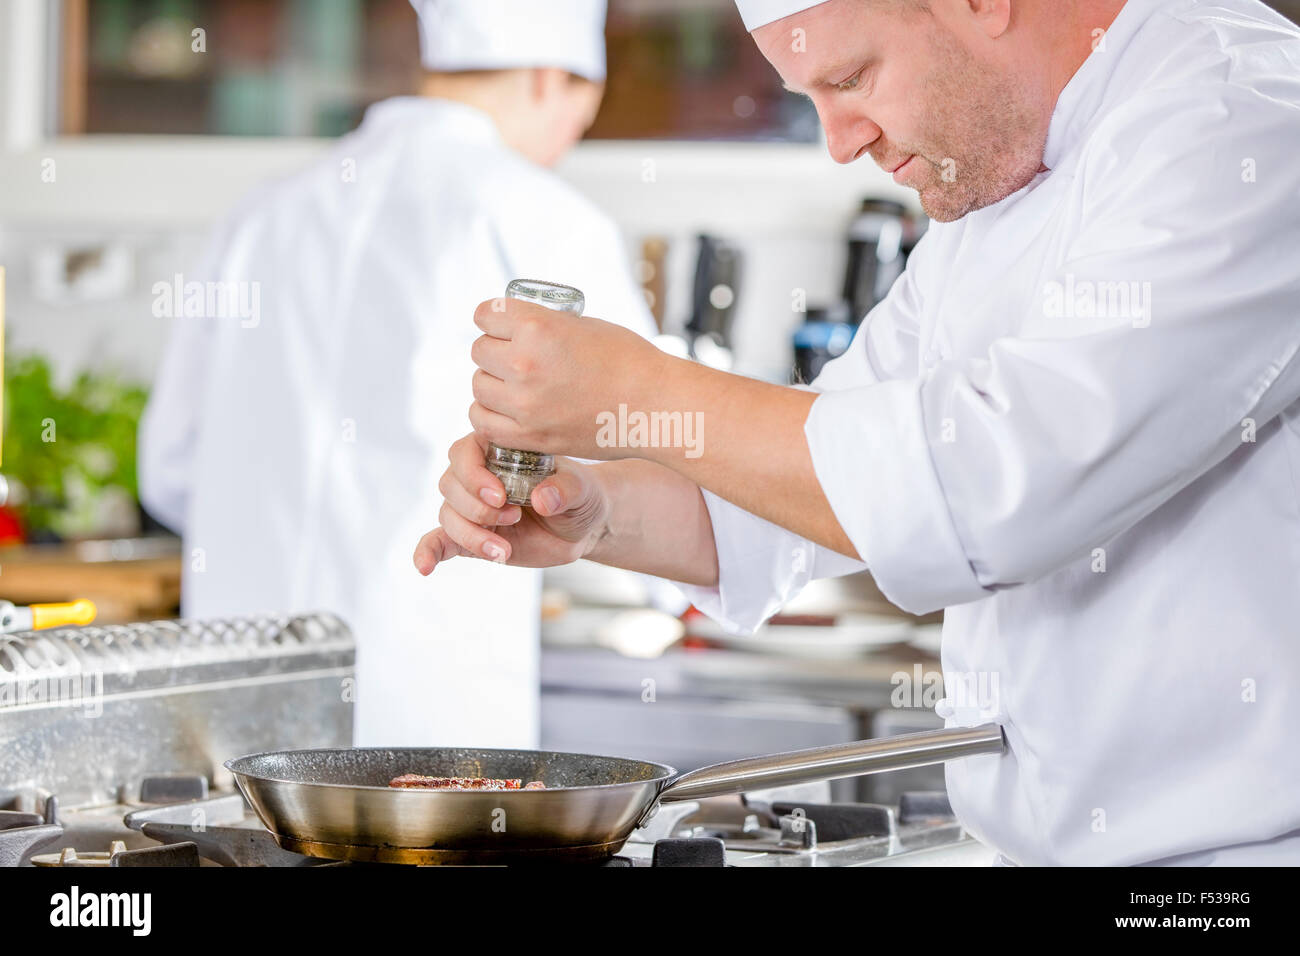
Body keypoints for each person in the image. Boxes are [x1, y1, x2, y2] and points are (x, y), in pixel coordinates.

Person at [417, 0, 1300, 864]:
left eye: (850, 77)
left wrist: (641, 389)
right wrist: (597, 510)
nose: (842, 142)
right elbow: (816, 478)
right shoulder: (997, 177)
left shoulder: (1243, 116)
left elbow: (993, 484)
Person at [140, 0, 656, 749]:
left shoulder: (261, 215)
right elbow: (645, 454)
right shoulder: (548, 219)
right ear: (551, 81)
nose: (569, 143)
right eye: (582, 117)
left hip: (229, 710)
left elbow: (169, 467)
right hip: (424, 701)